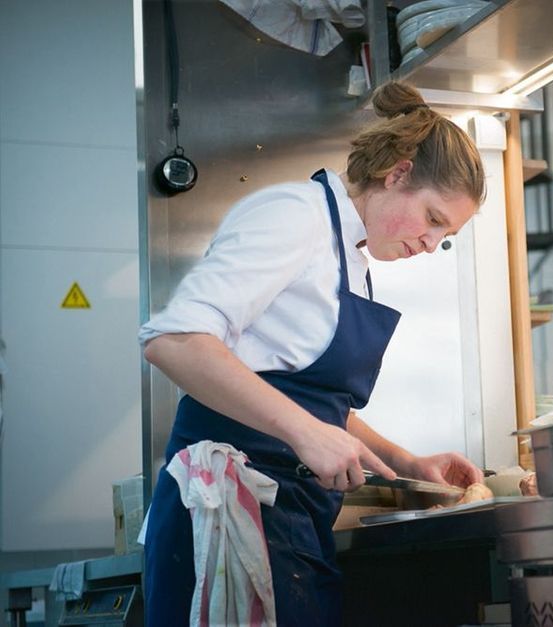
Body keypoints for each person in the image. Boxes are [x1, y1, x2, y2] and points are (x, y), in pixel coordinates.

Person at [140, 81, 487, 626]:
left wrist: (405, 464)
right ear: (397, 174)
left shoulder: (353, 256)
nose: (430, 242)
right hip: (229, 518)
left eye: (445, 234)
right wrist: (305, 433)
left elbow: (310, 402)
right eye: (434, 218)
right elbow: (176, 340)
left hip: (293, 525)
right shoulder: (294, 216)